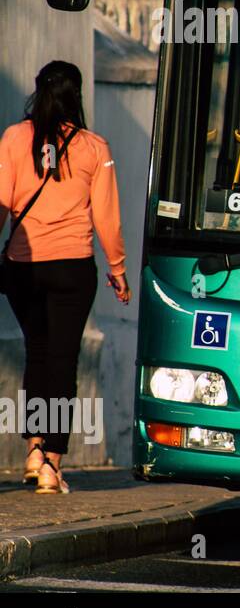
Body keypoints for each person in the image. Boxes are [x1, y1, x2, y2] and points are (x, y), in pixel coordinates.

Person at [0, 61, 130, 495]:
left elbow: (1, 202)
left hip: (23, 267)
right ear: (77, 96)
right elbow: (107, 218)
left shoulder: (16, 138)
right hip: (73, 267)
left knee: (37, 354)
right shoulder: (95, 147)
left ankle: (35, 449)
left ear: (39, 93)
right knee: (62, 360)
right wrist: (118, 269)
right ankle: (51, 462)